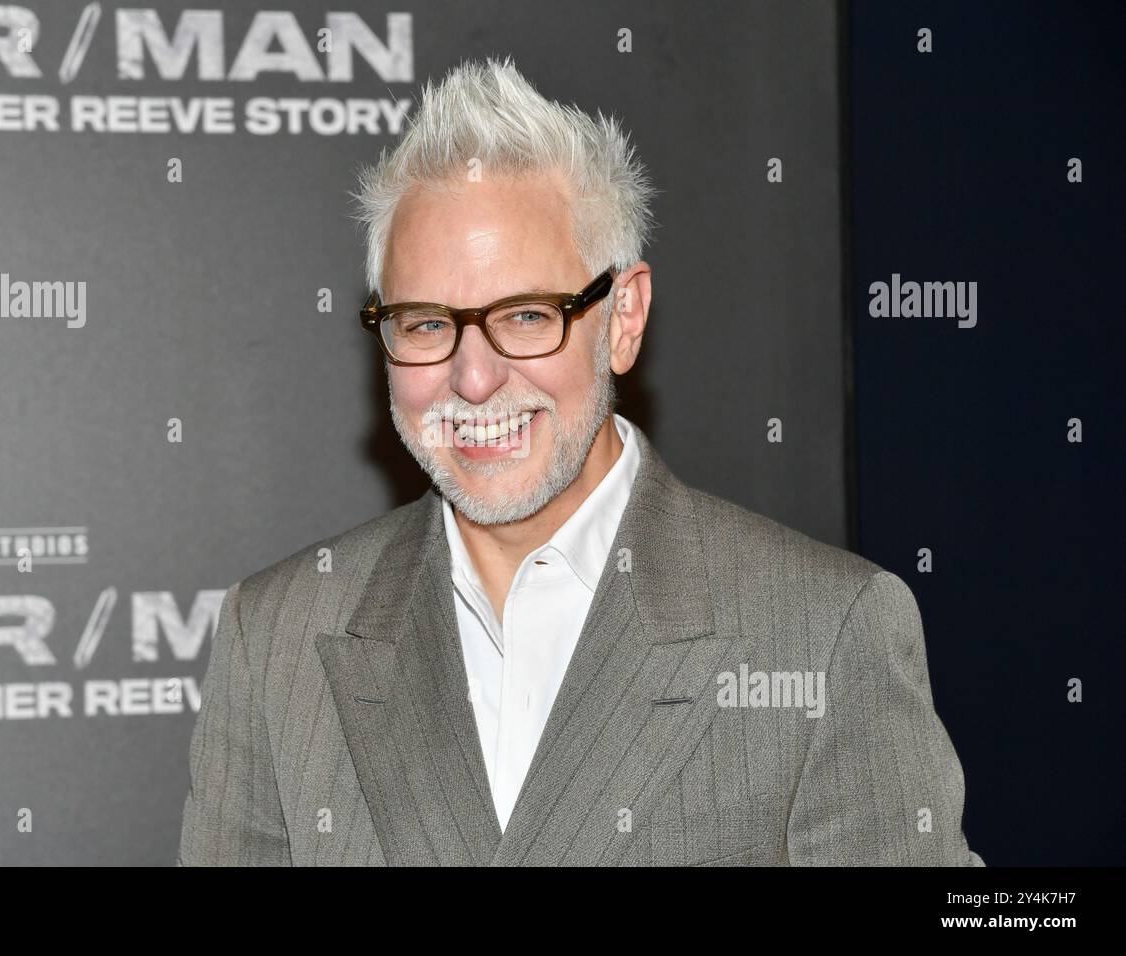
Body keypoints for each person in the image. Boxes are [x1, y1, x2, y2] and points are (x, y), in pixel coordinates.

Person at [178, 55, 982, 866]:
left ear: (623, 317)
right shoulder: (276, 637)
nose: (474, 376)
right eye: (425, 325)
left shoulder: (821, 636)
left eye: (527, 316)